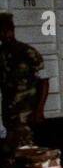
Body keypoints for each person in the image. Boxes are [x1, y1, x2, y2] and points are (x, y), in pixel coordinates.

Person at [0, 13, 48, 148]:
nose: (3, 36)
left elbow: (44, 81)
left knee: (26, 152)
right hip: (9, 114)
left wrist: (39, 110)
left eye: (5, 31)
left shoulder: (28, 52)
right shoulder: (1, 54)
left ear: (11, 30)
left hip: (26, 113)